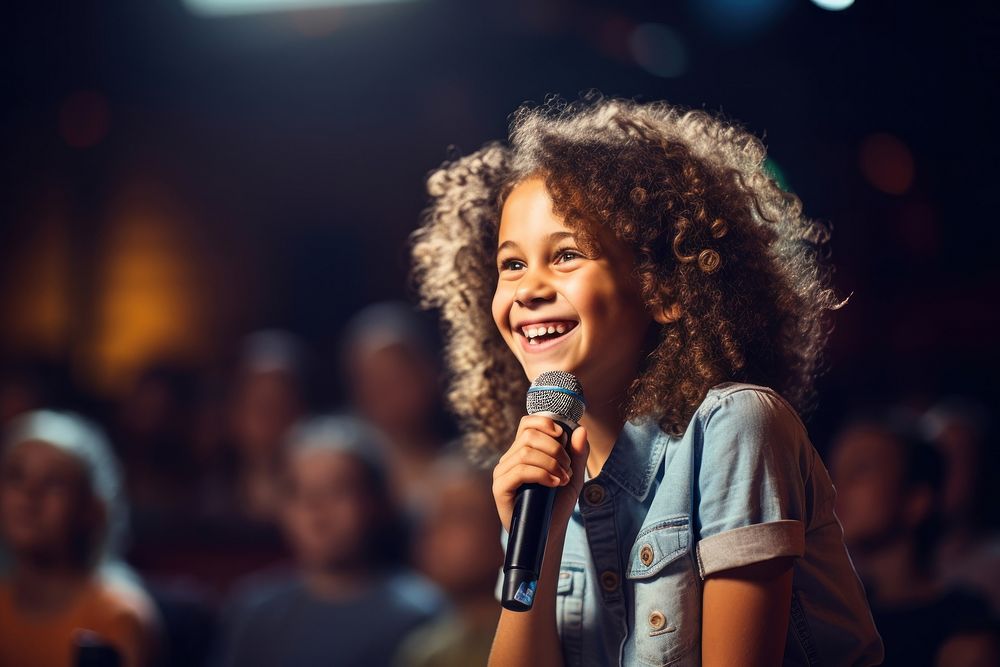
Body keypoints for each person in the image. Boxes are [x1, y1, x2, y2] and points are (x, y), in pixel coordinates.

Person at [410, 94, 884, 665]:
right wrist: (536, 539)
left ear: (663, 289)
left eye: (566, 255)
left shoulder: (737, 427)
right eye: (511, 264)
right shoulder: (546, 485)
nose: (527, 289)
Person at [214, 414, 445, 667]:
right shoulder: (255, 612)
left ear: (375, 502)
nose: (315, 510)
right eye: (298, 492)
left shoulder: (417, 615)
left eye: (337, 490)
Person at [830, 412, 995, 667]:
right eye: (834, 472)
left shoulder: (962, 624)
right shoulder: (835, 614)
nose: (836, 487)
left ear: (916, 500)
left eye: (861, 470)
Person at [0, 410, 160, 667]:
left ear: (93, 509)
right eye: (16, 476)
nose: (29, 495)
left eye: (54, 482)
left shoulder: (116, 616)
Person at [395, 455, 504, 667]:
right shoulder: (425, 651)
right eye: (430, 515)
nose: (435, 531)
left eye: (460, 516)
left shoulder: (543, 637)